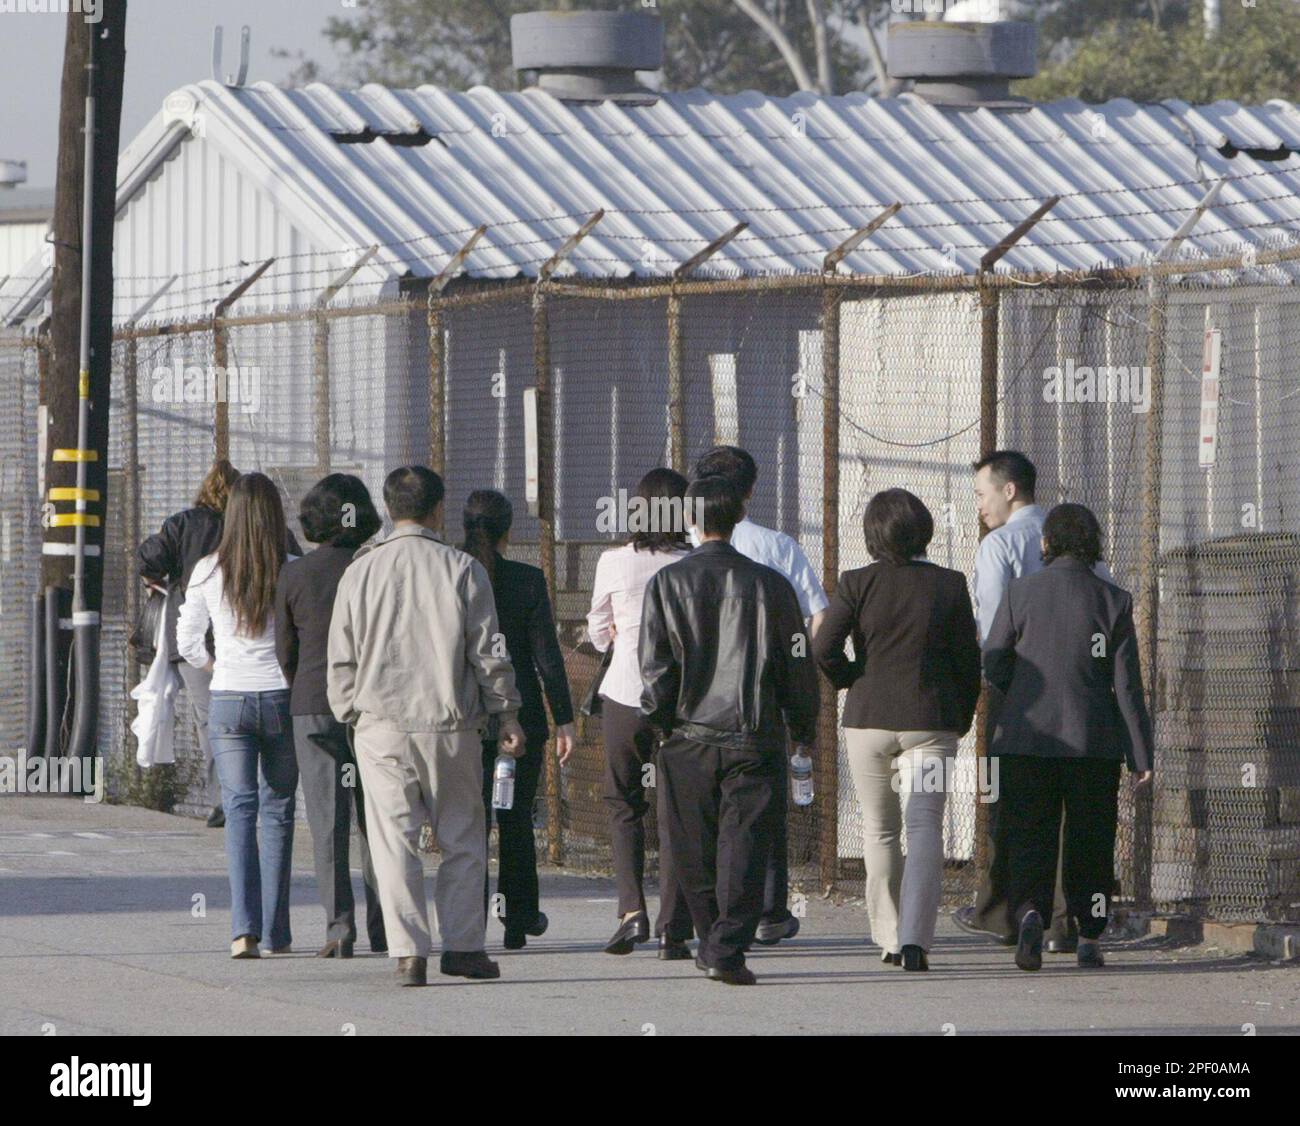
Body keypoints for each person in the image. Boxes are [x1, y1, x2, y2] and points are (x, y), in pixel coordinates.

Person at [327, 466, 525, 987]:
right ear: (438, 509)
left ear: (390, 510)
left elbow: (340, 657)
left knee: (394, 841)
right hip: (450, 724)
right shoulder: (462, 569)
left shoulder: (359, 570)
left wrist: (350, 711)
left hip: (380, 725)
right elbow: (489, 652)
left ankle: (408, 952)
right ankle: (462, 946)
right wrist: (506, 712)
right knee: (463, 837)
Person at [640, 476, 819, 985]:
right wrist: (801, 724)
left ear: (691, 520)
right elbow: (797, 661)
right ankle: (726, 945)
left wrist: (660, 723)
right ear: (739, 516)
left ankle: (710, 936)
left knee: (690, 843)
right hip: (755, 732)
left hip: (686, 734)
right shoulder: (772, 585)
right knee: (745, 841)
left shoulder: (668, 583)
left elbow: (654, 667)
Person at [814, 489, 980, 972]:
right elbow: (969, 663)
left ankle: (887, 936)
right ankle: (915, 942)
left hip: (867, 720)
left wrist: (852, 680)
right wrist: (962, 714)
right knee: (925, 826)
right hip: (930, 722)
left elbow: (823, 647)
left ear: (872, 534)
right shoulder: (950, 584)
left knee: (880, 830)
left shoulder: (856, 582)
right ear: (922, 528)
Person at [983, 503, 1154, 971]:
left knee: (1029, 834)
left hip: (1025, 739)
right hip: (1092, 743)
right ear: (1093, 545)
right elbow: (1126, 685)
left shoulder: (1020, 593)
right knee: (1090, 840)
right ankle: (1089, 934)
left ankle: (1031, 912)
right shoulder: (1114, 601)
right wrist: (1140, 752)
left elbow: (994, 661)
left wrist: (1019, 688)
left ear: (1046, 544)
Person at [956, 449, 1114, 953]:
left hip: (1022, 693)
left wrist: (1000, 682)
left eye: (982, 494)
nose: (979, 506)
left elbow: (993, 629)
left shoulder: (997, 545)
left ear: (1008, 490)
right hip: (1085, 695)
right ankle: (1070, 922)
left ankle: (1011, 912)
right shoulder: (1078, 538)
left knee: (1019, 809)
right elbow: (1106, 599)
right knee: (1081, 816)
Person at [692, 445, 829, 946]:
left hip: (697, 699)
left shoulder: (685, 548)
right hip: (761, 697)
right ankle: (769, 909)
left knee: (702, 808)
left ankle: (706, 915)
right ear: (750, 492)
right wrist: (796, 677)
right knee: (761, 808)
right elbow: (815, 616)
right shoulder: (776, 547)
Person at [177, 472, 298, 959]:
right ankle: (277, 933)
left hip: (228, 700)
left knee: (239, 810)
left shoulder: (207, 570)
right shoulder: (291, 568)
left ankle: (241, 932)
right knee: (279, 812)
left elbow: (187, 642)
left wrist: (217, 665)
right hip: (282, 699)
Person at [275, 473, 387, 959]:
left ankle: (339, 928)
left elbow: (285, 652)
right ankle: (387, 927)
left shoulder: (295, 575)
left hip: (313, 705)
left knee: (328, 822)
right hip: (373, 707)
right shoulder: (377, 568)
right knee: (378, 821)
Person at [586, 468, 694, 959]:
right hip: (683, 701)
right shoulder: (693, 565)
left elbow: (598, 632)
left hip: (626, 693)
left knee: (623, 801)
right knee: (678, 811)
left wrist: (623, 639)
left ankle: (632, 911)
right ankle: (675, 924)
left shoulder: (614, 561)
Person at [461, 488, 576, 950]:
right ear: (509, 530)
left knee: (469, 824)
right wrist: (565, 718)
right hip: (521, 718)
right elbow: (547, 658)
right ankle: (518, 916)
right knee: (513, 818)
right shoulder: (528, 581)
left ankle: (469, 920)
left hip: (466, 715)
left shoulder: (454, 574)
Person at [138, 459, 240, 828]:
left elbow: (149, 557)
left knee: (209, 718)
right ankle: (247, 794)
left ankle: (224, 798)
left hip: (193, 637)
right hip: (242, 632)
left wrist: (157, 581)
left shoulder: (184, 524)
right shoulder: (251, 525)